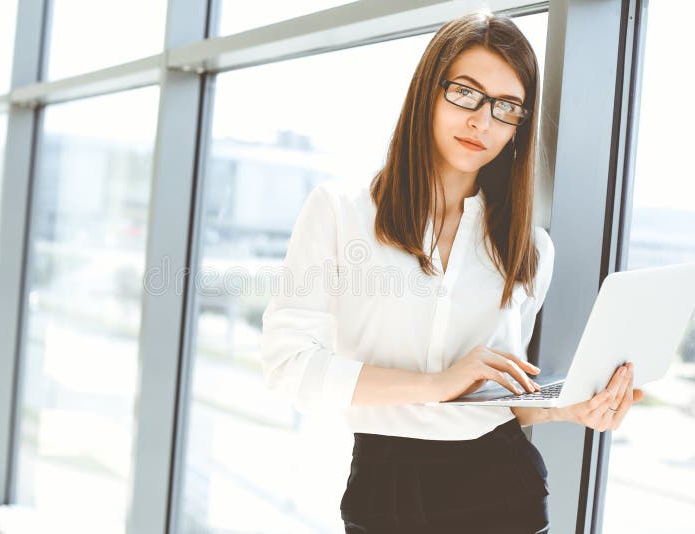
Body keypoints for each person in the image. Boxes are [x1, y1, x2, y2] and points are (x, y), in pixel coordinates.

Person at [261, 9, 644, 534]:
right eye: (465, 93)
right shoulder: (340, 212)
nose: (482, 122)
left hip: (506, 490)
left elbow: (503, 403)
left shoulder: (529, 247)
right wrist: (437, 384)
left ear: (519, 126)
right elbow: (289, 367)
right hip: (384, 491)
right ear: (428, 91)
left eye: (506, 107)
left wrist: (572, 408)